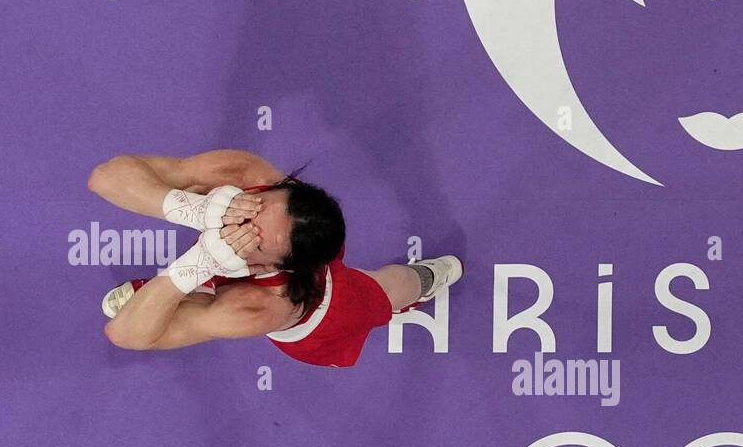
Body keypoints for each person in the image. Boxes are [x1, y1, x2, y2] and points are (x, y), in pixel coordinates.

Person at [86, 149, 462, 367]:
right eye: (256, 206)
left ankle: (428, 278)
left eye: (253, 235)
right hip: (296, 247)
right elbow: (104, 178)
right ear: (279, 189)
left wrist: (193, 267)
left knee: (390, 289)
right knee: (176, 297)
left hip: (326, 311)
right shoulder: (247, 176)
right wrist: (191, 208)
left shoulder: (260, 306)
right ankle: (165, 293)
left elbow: (125, 333)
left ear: (270, 265)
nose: (238, 219)